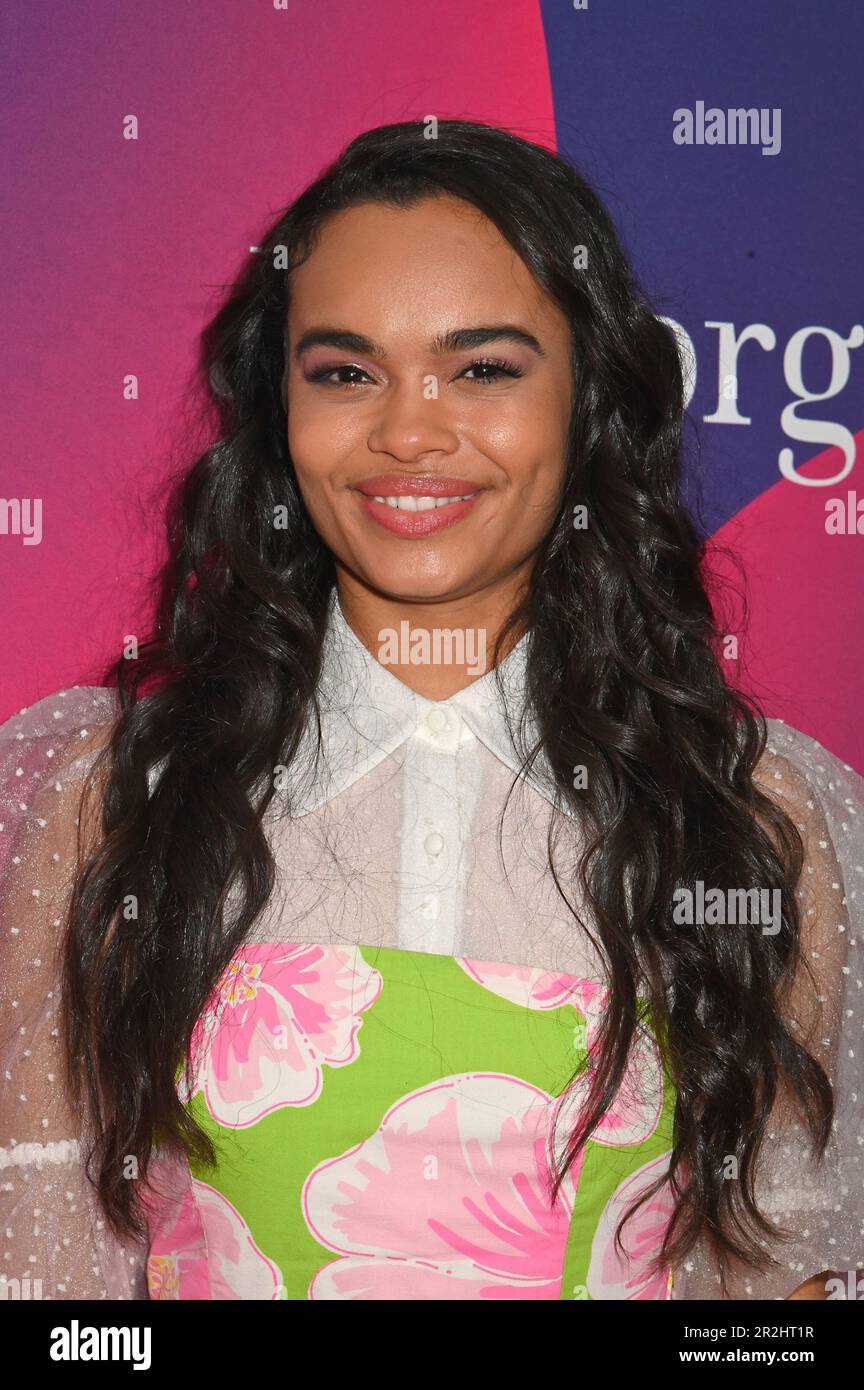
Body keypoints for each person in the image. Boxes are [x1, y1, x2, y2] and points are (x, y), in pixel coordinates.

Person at [1, 119, 862, 1302]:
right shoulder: (123, 795)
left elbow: (777, 1299)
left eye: (484, 368)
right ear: (277, 408)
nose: (408, 431)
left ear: (589, 397)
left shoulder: (745, 818)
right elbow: (45, 1286)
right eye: (345, 371)